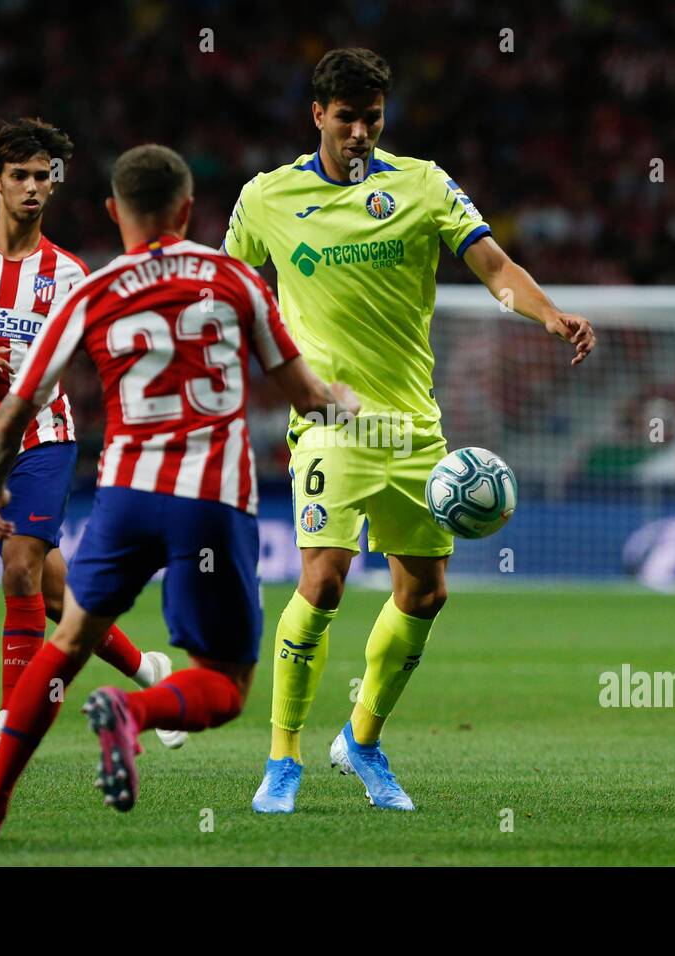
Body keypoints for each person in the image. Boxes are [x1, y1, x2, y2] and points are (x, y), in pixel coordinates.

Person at [0, 144, 358, 843]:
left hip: (126, 497)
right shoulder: (235, 282)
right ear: (188, 210)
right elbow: (305, 395)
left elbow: (18, 405)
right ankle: (133, 712)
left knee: (69, 639)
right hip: (211, 502)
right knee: (226, 684)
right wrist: (338, 404)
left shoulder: (92, 291)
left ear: (114, 212)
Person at [222, 48, 595, 813]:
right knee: (322, 579)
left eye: (373, 119)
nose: (361, 132)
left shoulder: (423, 184)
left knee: (423, 595)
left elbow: (493, 267)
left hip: (413, 429)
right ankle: (282, 757)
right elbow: (229, 289)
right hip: (327, 420)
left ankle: (360, 740)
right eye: (348, 118)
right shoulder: (267, 198)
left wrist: (548, 312)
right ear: (318, 115)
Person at [0, 118, 183, 764]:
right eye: (21, 176)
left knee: (20, 564)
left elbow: (103, 354)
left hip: (45, 437)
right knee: (57, 595)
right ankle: (150, 671)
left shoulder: (68, 272)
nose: (34, 187)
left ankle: (8, 722)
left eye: (43, 176)